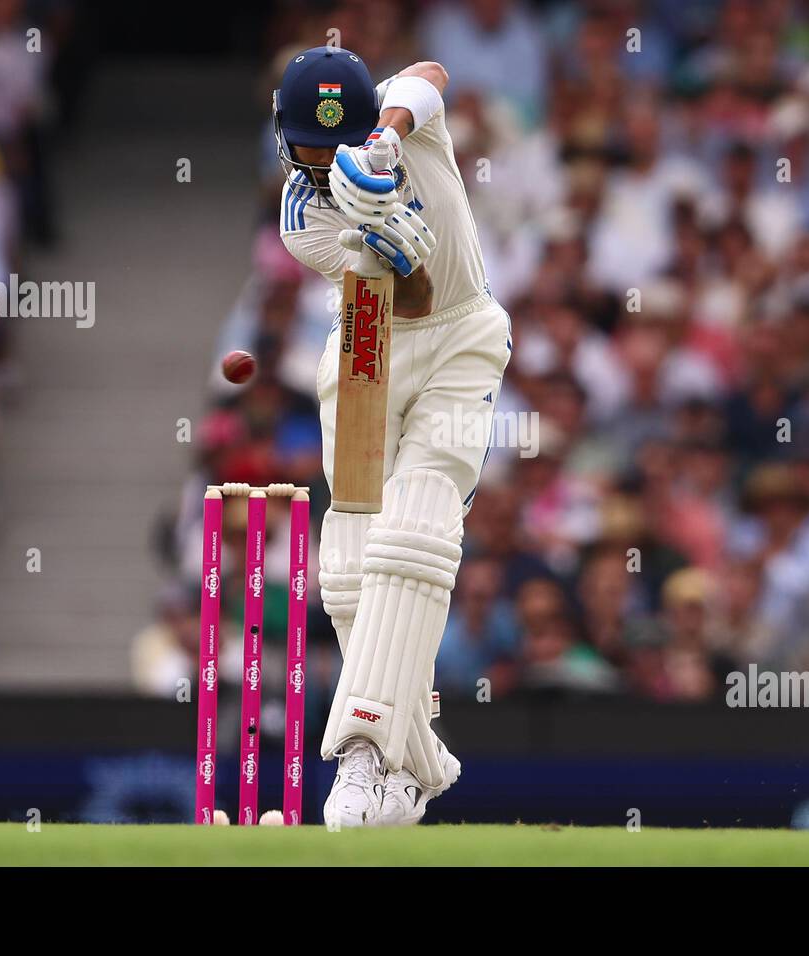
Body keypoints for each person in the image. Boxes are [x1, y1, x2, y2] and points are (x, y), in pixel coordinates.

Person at [273, 48, 511, 826]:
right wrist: (379, 227)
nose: (319, 158)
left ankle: (362, 753)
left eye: (330, 143)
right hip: (370, 338)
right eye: (308, 144)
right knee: (348, 565)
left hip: (460, 335)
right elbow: (396, 294)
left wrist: (386, 138)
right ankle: (423, 761)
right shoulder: (304, 217)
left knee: (416, 529)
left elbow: (433, 71)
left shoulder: (409, 126)